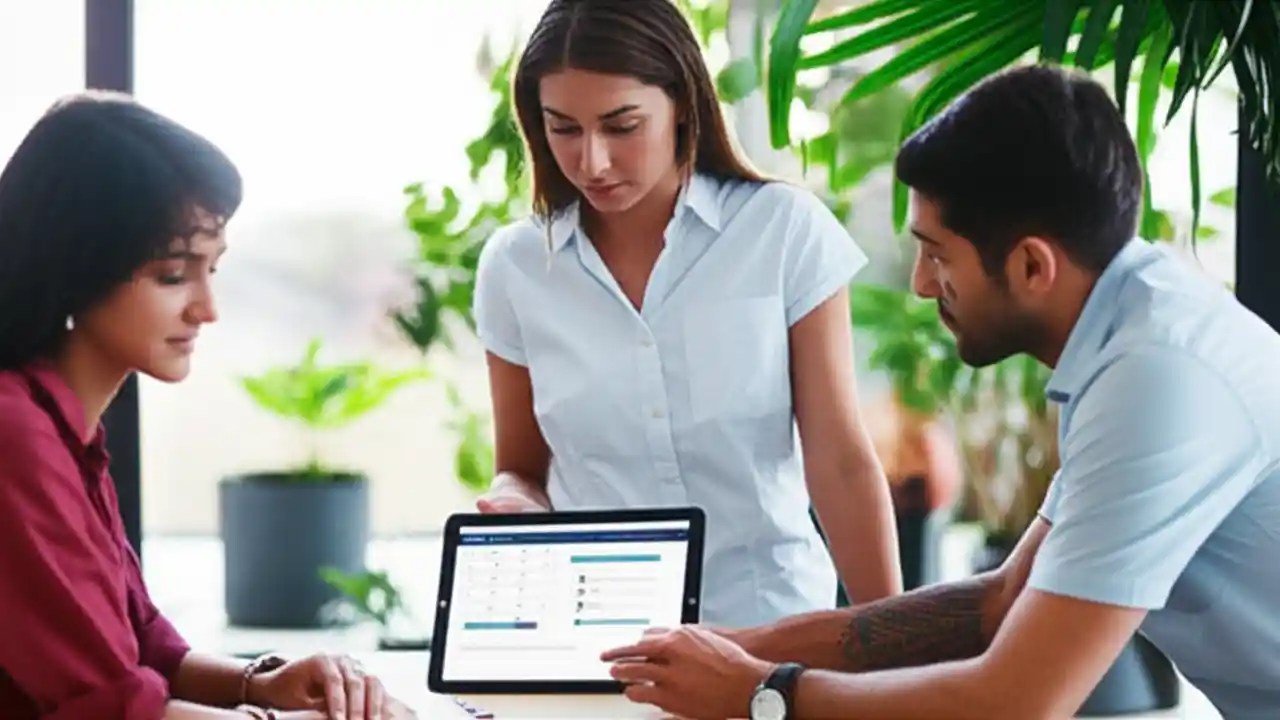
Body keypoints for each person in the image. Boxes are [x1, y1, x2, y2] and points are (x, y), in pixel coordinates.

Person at [601, 64, 1280, 720]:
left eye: (936, 254)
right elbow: (1002, 600)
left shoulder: (1156, 382)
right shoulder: (1135, 327)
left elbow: (1016, 702)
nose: (922, 284)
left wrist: (759, 693)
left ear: (1031, 265)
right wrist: (735, 649)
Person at [471, 0, 902, 628]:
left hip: (770, 628)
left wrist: (891, 644)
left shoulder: (781, 229)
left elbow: (839, 461)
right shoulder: (515, 268)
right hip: (598, 639)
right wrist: (512, 504)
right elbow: (522, 470)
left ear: (681, 103)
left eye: (622, 126)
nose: (592, 161)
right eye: (563, 128)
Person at [0, 93, 415, 719]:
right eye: (173, 275)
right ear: (77, 264)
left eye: (212, 270)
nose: (206, 308)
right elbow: (113, 707)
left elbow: (145, 652)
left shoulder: (65, 431)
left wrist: (262, 683)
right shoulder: (15, 435)